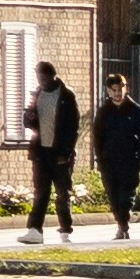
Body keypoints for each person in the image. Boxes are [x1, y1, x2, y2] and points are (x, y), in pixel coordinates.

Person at [88, 62, 140, 236]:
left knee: (126, 195)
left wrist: (139, 159)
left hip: (129, 160)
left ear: (125, 89)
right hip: (109, 161)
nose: (118, 93)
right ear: (108, 91)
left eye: (121, 89)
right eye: (114, 90)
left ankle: (123, 225)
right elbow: (97, 138)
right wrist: (100, 158)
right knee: (113, 195)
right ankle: (121, 223)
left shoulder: (135, 110)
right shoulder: (103, 112)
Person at [23, 61, 87, 240]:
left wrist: (66, 153)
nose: (41, 81)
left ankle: (65, 230)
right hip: (41, 152)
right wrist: (28, 118)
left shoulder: (66, 96)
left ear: (52, 76)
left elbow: (73, 127)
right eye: (38, 77)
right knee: (41, 191)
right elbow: (31, 122)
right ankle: (35, 230)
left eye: (43, 78)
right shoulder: (37, 94)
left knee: (62, 193)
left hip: (60, 153)